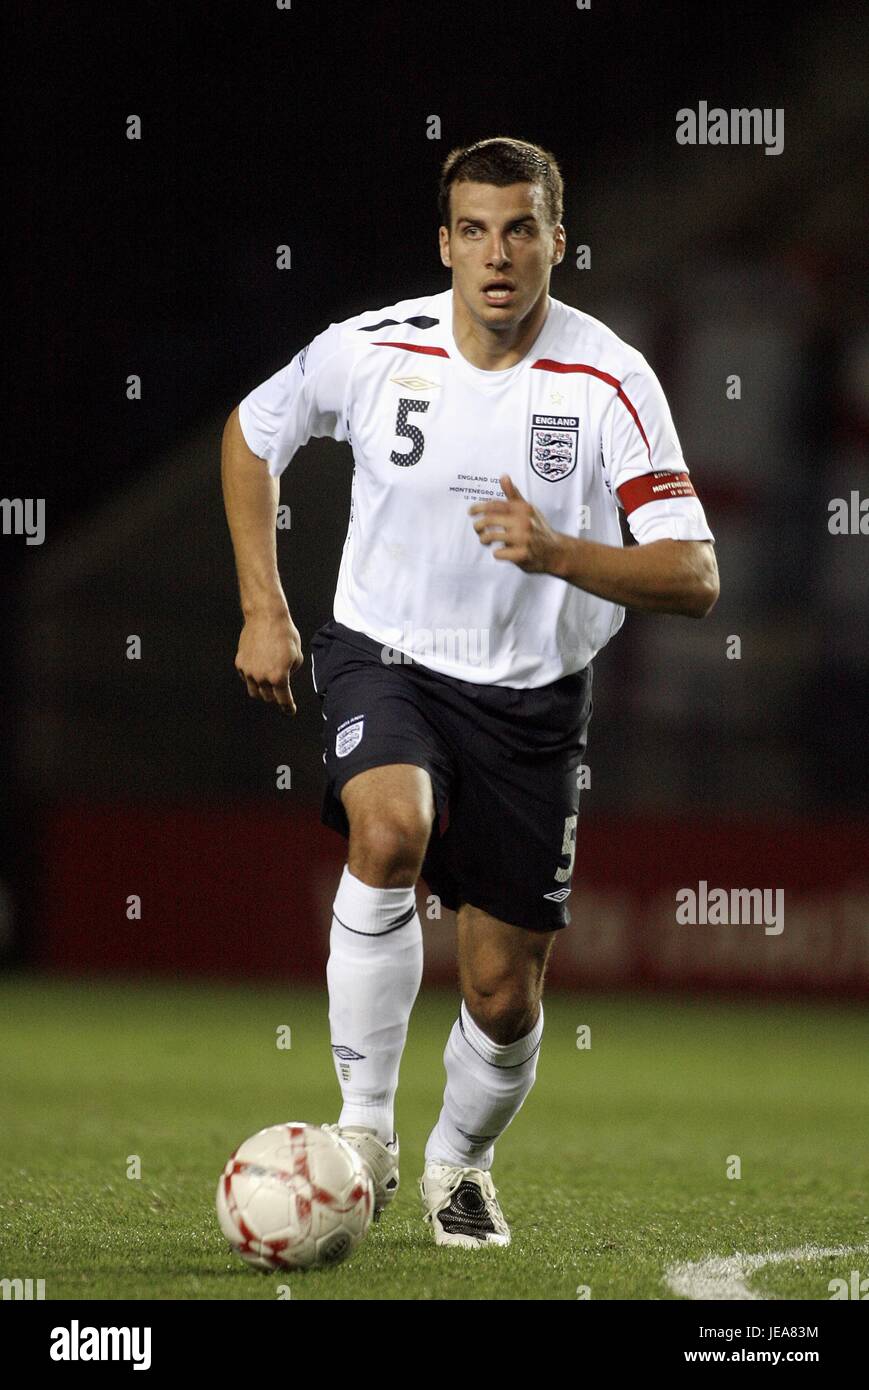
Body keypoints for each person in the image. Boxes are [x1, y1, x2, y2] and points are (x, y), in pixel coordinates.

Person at [221, 136, 719, 1249]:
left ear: (555, 240)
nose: (496, 255)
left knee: (502, 996)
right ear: (443, 242)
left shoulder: (607, 380)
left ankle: (460, 1159)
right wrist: (264, 605)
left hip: (530, 704)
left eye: (520, 229)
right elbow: (251, 437)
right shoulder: (372, 348)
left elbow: (692, 575)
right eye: (474, 230)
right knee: (387, 830)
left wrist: (558, 554)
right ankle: (363, 1135)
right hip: (382, 653)